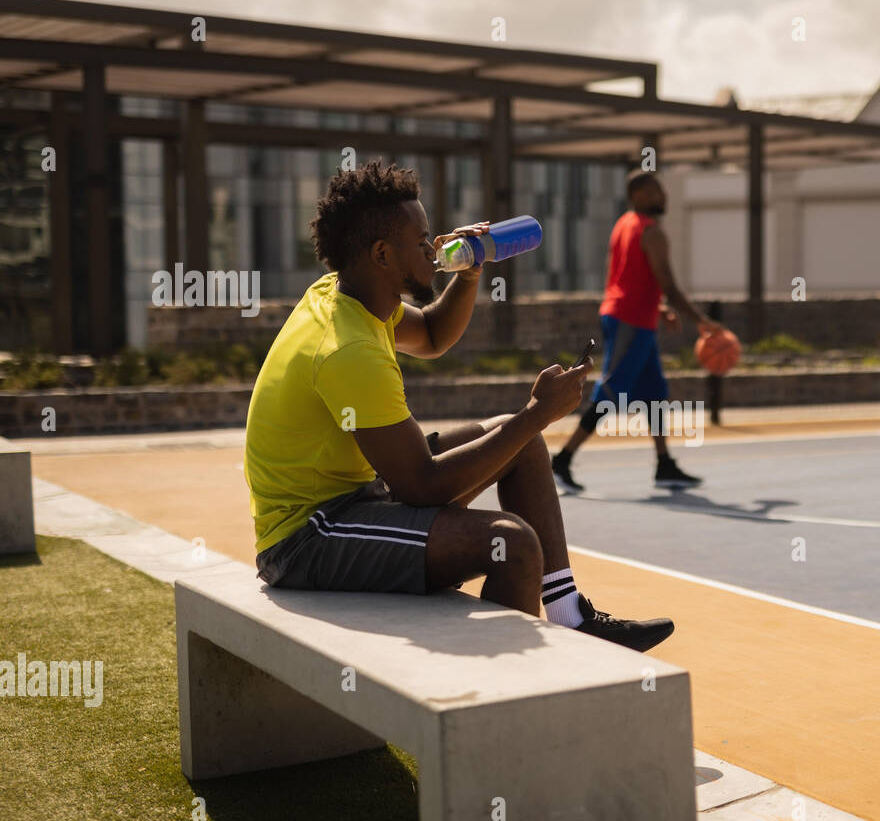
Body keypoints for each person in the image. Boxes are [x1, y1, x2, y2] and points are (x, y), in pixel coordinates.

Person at [243, 159, 674, 652]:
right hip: (308, 537)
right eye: (422, 239)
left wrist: (468, 277)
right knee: (511, 544)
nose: (434, 247)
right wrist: (538, 412)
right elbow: (423, 485)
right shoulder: (346, 348)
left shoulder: (350, 295)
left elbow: (429, 334)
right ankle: (501, 708)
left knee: (521, 442)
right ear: (383, 254)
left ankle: (568, 612)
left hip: (356, 495)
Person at [551, 170, 724, 494]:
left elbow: (624, 277)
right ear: (640, 194)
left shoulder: (624, 224)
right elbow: (669, 285)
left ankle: (664, 465)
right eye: (658, 191)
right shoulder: (651, 232)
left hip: (637, 320)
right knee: (612, 392)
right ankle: (562, 460)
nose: (665, 196)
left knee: (656, 393)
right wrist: (702, 320)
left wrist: (657, 310)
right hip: (629, 322)